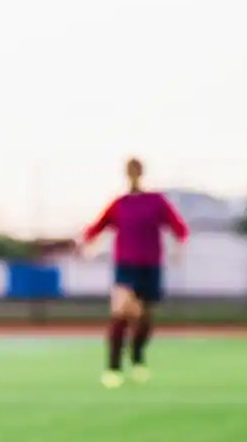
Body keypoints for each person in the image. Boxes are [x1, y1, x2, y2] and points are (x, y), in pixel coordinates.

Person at [76, 158, 188, 388]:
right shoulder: (120, 204)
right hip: (126, 266)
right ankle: (113, 368)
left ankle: (137, 358)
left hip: (150, 265)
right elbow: (96, 228)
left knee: (144, 318)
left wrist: (178, 249)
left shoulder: (156, 202)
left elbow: (179, 228)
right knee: (121, 312)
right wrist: (85, 245)